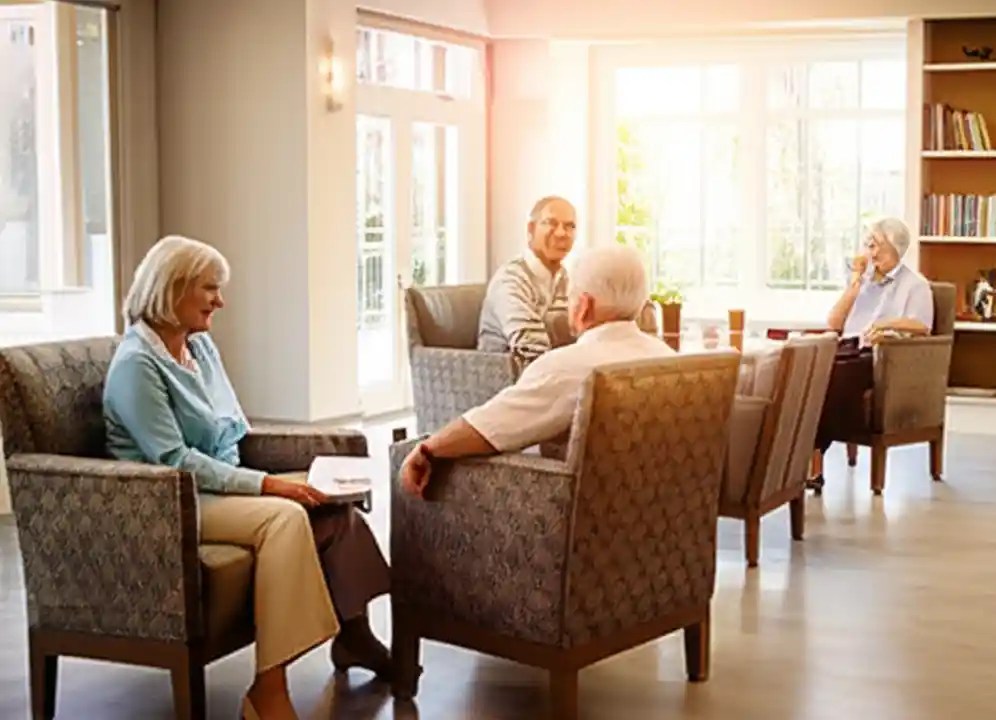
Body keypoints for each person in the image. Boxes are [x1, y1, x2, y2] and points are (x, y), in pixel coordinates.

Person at [102, 236, 393, 720]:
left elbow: (232, 424)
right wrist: (270, 486)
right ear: (172, 288)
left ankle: (355, 636)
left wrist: (288, 479)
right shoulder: (137, 364)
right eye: (210, 288)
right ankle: (268, 689)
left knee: (329, 506)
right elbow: (176, 460)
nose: (221, 300)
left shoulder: (200, 347)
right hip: (170, 501)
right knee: (281, 519)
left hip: (218, 485)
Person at [401, 243, 671, 494]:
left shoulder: (567, 368)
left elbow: (488, 429)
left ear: (584, 306)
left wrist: (427, 449)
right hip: (665, 520)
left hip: (578, 519)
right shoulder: (669, 360)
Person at [810, 217, 935, 491]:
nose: (870, 251)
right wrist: (854, 285)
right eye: (868, 244)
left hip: (880, 357)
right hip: (846, 347)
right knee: (811, 371)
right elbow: (833, 323)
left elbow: (922, 326)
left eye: (876, 245)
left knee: (834, 377)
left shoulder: (915, 285)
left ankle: (813, 462)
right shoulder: (862, 281)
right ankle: (810, 463)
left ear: (895, 248)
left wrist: (885, 324)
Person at [476, 195, 576, 367]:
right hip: (506, 380)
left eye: (569, 226)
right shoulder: (511, 280)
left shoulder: (565, 278)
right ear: (531, 229)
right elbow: (532, 347)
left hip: (550, 373)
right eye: (551, 223)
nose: (561, 233)